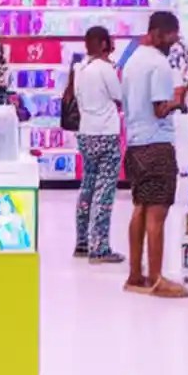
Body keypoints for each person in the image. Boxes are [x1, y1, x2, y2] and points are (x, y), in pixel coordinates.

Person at [120, 11, 188, 297]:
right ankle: (157, 278)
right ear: (159, 33)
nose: (171, 45)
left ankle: (136, 275)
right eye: (170, 39)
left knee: (140, 207)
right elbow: (159, 109)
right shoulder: (159, 65)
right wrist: (179, 100)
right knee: (157, 213)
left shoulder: (132, 60)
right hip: (157, 144)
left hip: (135, 143)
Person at [72, 26, 124, 263]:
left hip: (86, 133)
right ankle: (99, 247)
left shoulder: (80, 68)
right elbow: (119, 95)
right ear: (103, 44)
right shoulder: (105, 69)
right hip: (106, 133)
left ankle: (82, 242)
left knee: (88, 187)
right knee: (104, 191)